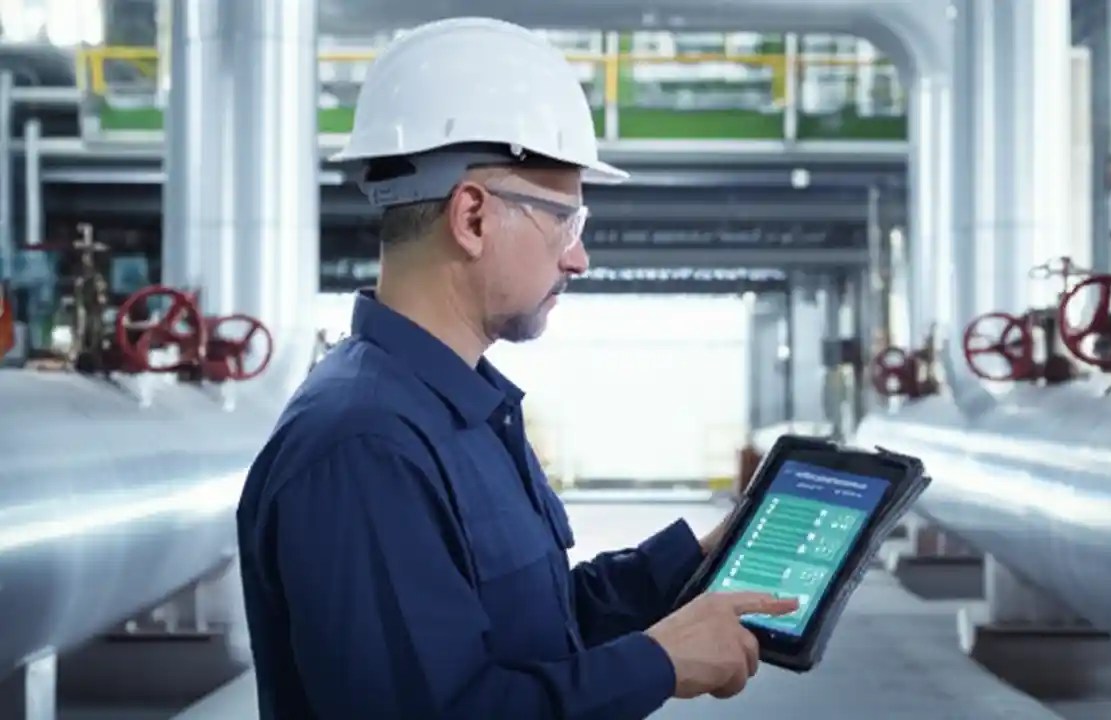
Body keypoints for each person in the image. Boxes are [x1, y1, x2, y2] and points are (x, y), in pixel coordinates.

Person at [236, 16, 798, 720]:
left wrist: (692, 562)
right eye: (567, 222)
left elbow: (540, 629)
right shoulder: (365, 446)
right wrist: (657, 664)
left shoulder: (460, 412)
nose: (578, 258)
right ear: (472, 217)